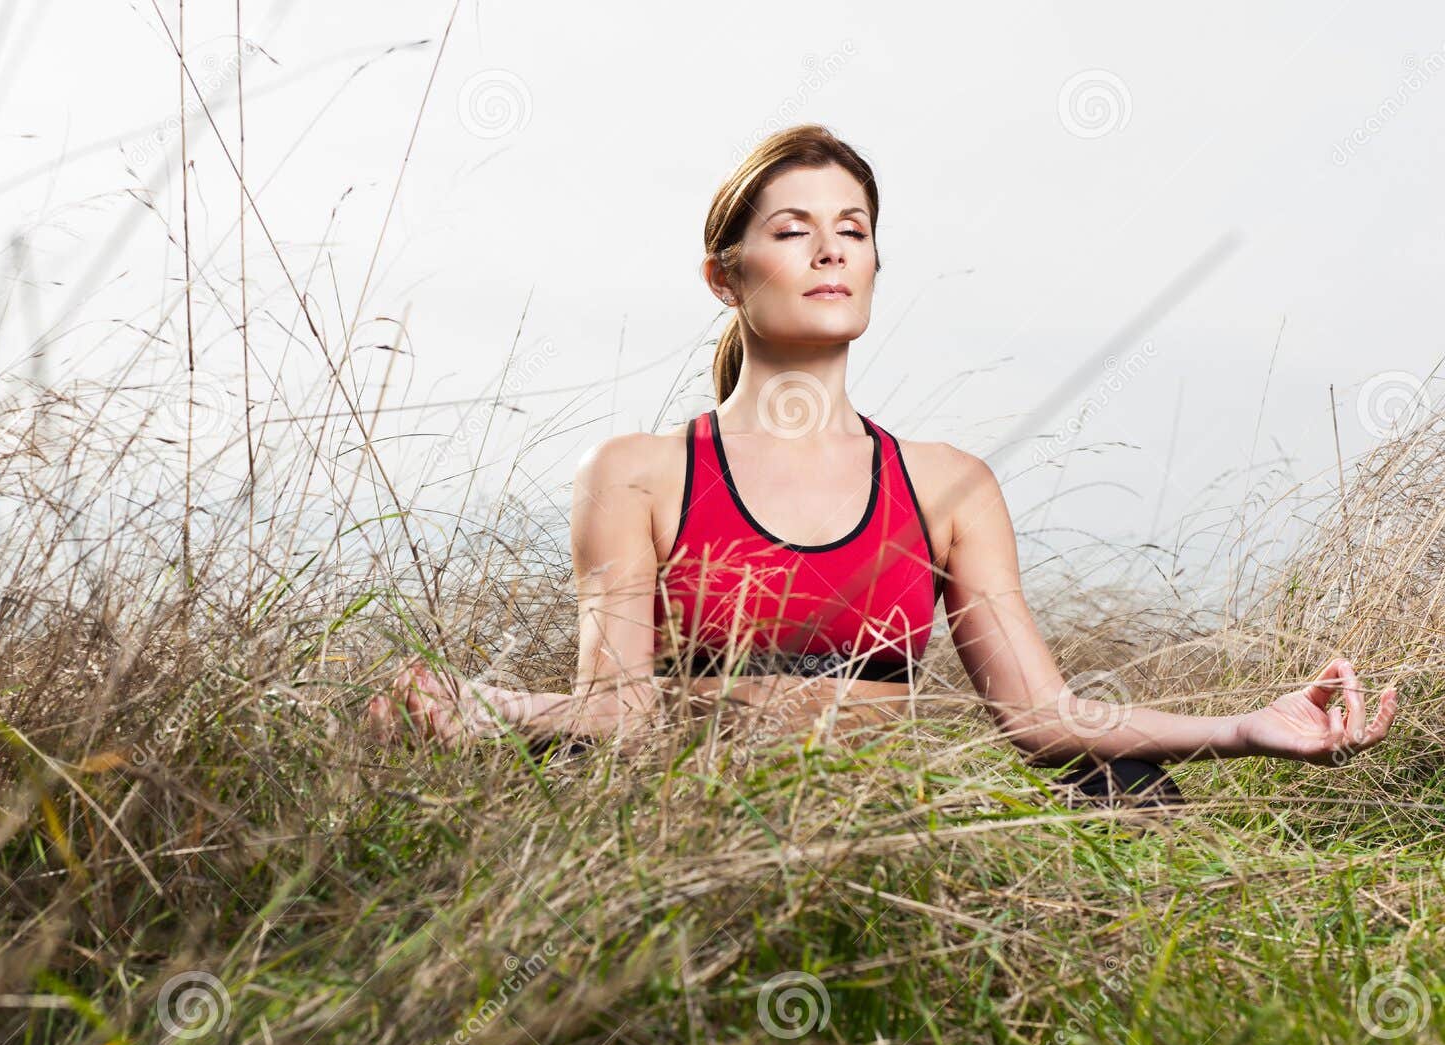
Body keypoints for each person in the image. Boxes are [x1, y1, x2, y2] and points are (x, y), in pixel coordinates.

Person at [367, 124, 1399, 809]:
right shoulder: (639, 471)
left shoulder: (948, 484)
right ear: (724, 278)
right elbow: (618, 713)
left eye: (851, 231)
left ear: (872, 265)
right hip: (697, 829)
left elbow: (1043, 719)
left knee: (1127, 783)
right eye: (792, 231)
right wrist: (487, 705)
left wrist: (1251, 726)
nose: (829, 252)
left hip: (879, 836)